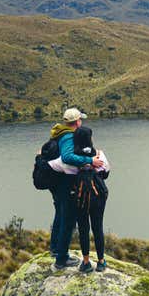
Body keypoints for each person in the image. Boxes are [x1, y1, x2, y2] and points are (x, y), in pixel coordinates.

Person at [48, 108, 104, 271]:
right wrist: (90, 160)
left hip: (58, 182)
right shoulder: (68, 136)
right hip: (65, 183)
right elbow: (67, 157)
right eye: (81, 120)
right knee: (69, 219)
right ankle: (61, 259)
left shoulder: (60, 133)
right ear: (77, 122)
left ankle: (56, 249)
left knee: (60, 214)